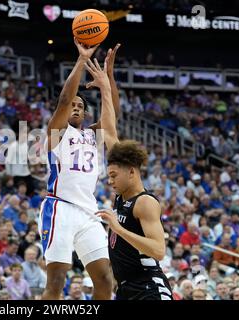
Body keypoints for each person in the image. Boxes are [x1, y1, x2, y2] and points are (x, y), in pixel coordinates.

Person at [39, 40, 121, 300]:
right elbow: (64, 99)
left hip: (88, 211)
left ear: (86, 113)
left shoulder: (92, 135)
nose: (75, 107)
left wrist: (107, 77)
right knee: (56, 282)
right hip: (59, 207)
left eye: (81, 106)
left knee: (105, 280)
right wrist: (81, 60)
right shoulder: (58, 132)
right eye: (73, 105)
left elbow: (113, 114)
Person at [85, 57, 172, 300]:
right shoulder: (122, 191)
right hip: (126, 289)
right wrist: (105, 84)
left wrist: (118, 228)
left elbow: (158, 250)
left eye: (113, 176)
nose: (109, 181)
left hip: (149, 288)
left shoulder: (145, 202)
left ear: (131, 171)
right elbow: (110, 129)